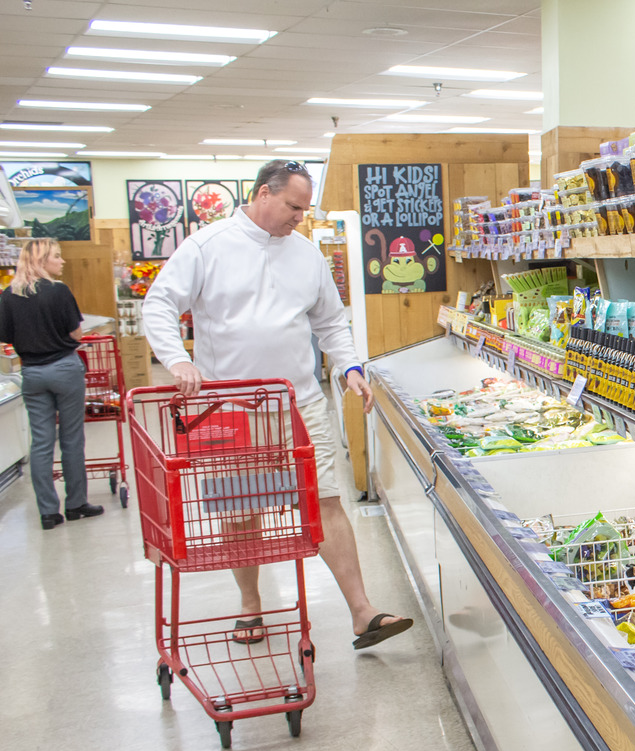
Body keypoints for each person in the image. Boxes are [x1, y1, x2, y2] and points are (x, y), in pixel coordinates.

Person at [143, 159, 412, 651]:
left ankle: (362, 612)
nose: (299, 218)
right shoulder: (207, 246)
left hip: (298, 401)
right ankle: (250, 607)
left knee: (326, 501)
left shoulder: (306, 254)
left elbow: (330, 321)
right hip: (230, 406)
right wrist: (178, 361)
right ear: (263, 194)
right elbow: (159, 304)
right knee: (240, 509)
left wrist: (350, 367)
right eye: (293, 206)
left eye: (304, 209)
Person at [0, 238, 105, 530]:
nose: (62, 261)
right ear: (43, 260)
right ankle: (76, 504)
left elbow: (5, 337)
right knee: (72, 438)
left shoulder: (9, 294)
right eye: (57, 257)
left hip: (32, 373)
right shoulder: (58, 292)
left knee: (41, 442)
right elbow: (76, 334)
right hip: (64, 369)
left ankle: (48, 512)